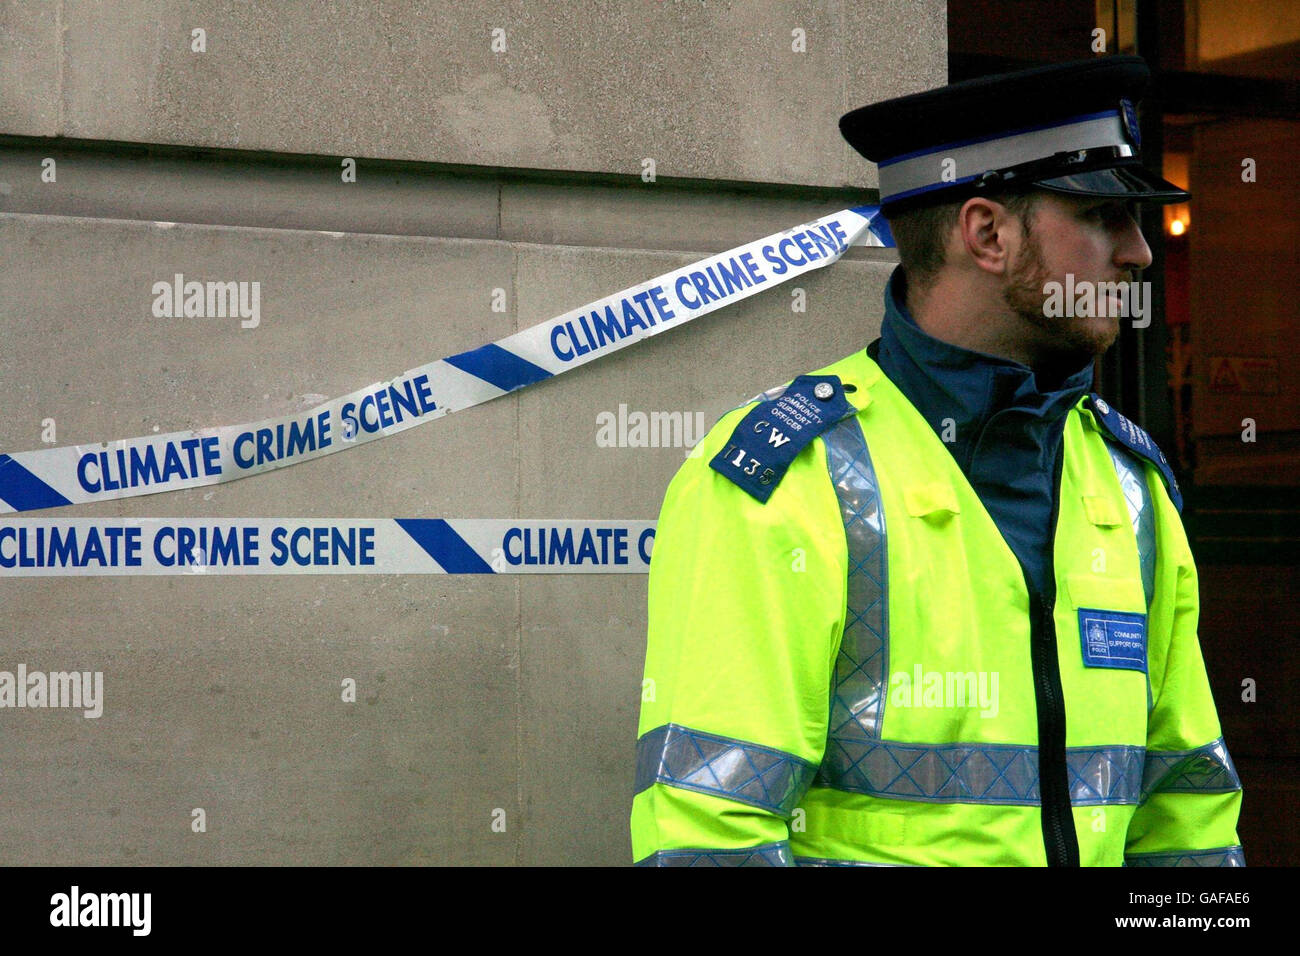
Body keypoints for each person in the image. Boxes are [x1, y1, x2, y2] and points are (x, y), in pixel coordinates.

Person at [629, 56, 1244, 866]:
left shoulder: (1128, 482)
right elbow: (708, 835)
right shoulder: (788, 479)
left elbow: (1185, 816)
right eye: (1105, 216)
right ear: (987, 233)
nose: (1139, 254)